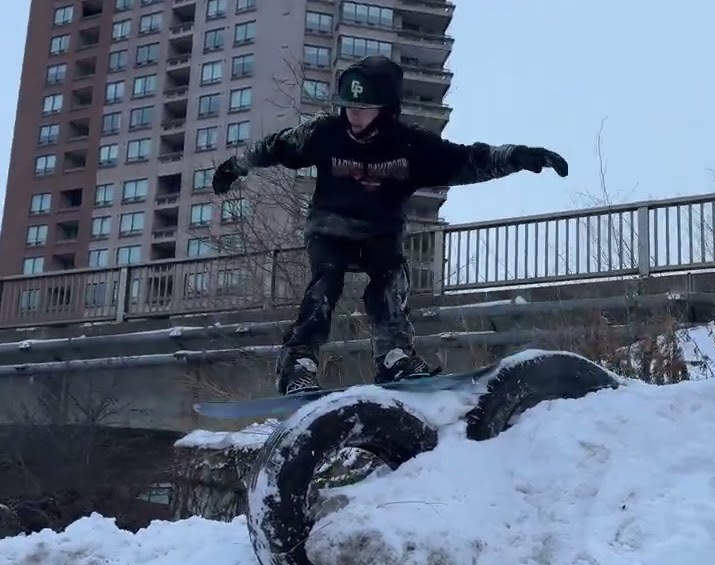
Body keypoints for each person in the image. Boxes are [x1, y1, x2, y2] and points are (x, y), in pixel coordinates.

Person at [212, 55, 569, 395]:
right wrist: (235, 166)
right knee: (326, 281)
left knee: (390, 280)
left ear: (385, 109)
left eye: (364, 109)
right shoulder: (324, 133)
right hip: (330, 227)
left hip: (381, 231)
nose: (353, 116)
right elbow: (275, 147)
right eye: (349, 107)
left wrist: (519, 156)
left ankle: (393, 356)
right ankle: (298, 363)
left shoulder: (410, 145)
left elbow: (468, 159)